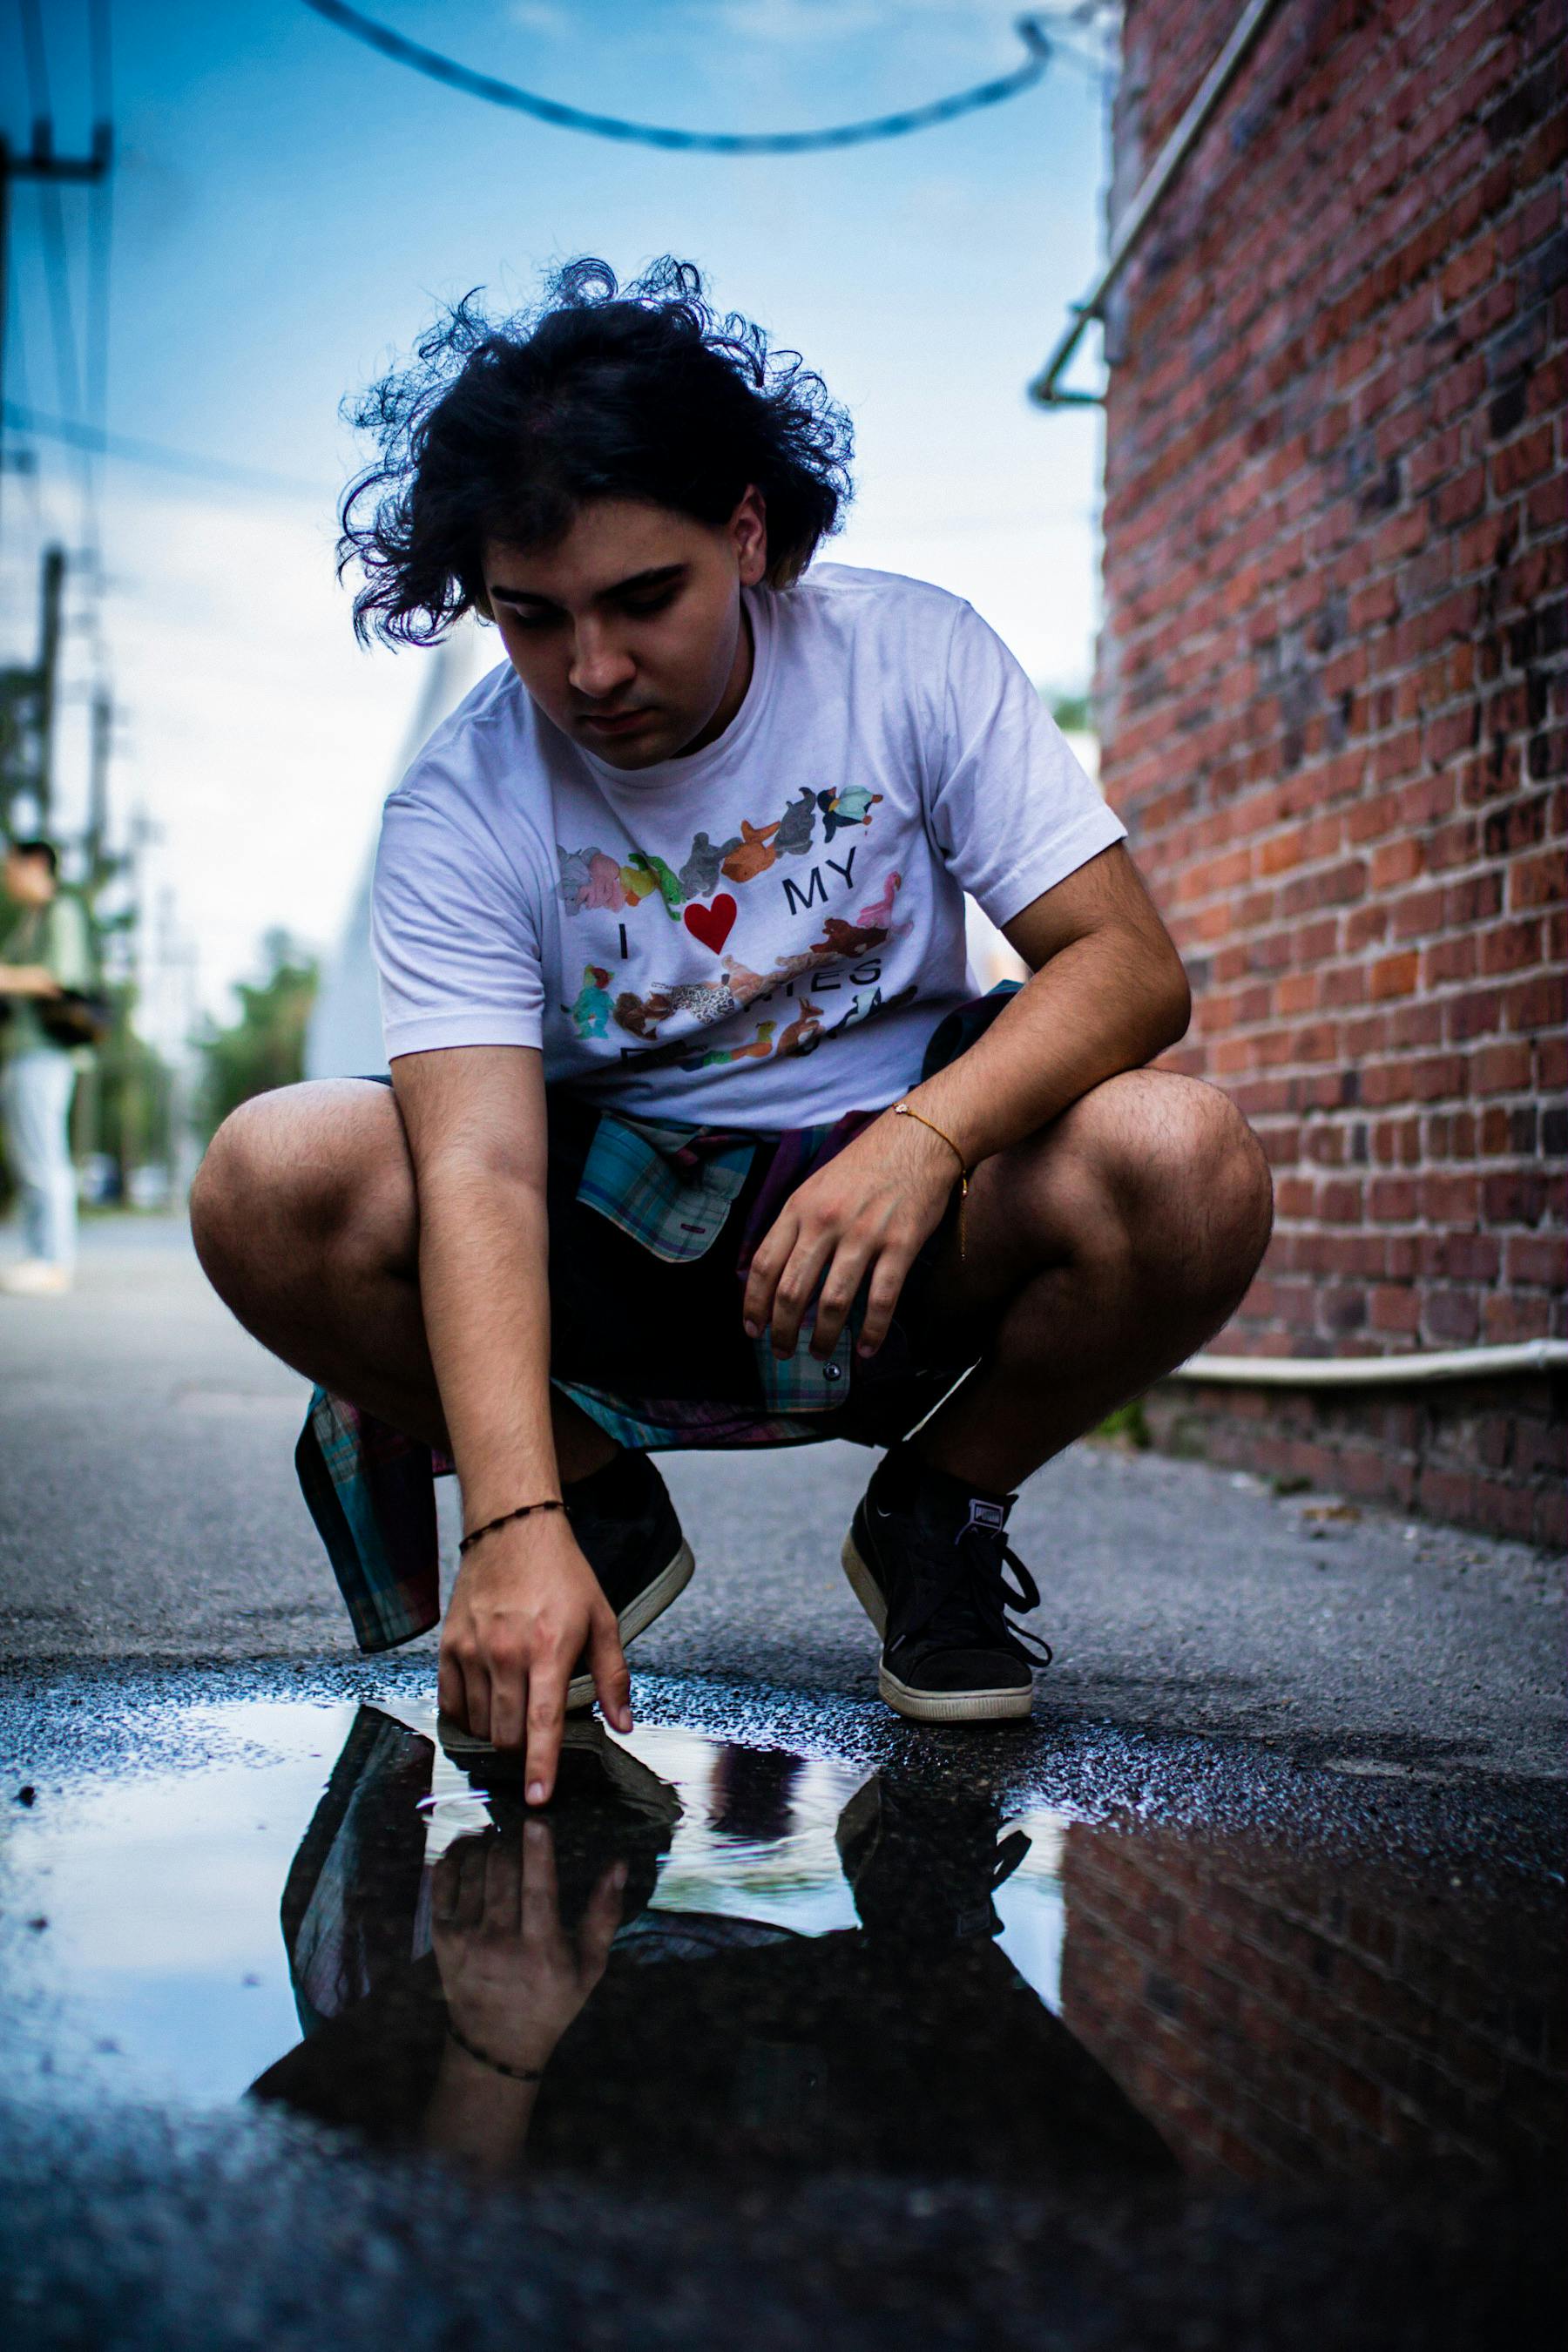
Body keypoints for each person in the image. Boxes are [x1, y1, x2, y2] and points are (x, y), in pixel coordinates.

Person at [191, 258, 1273, 1807]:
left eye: (645, 599)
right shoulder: (461, 801)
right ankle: (588, 1505)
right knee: (271, 1173)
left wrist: (928, 1136)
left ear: (749, 533)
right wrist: (507, 1524)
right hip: (609, 1233)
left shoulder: (911, 655)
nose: (594, 671)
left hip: (897, 1210)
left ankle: (939, 1514)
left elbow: (1127, 969)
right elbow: (480, 1175)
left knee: (1191, 1158)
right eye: (532, 619)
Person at [0, 837, 92, 1295]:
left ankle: (53, 1262)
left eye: (10, 867)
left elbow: (59, 977)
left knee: (44, 1157)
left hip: (48, 1052)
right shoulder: (28, 921)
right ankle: (41, 1255)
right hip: (24, 1051)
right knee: (29, 1155)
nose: (6, 876)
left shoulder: (61, 913)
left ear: (36, 864)